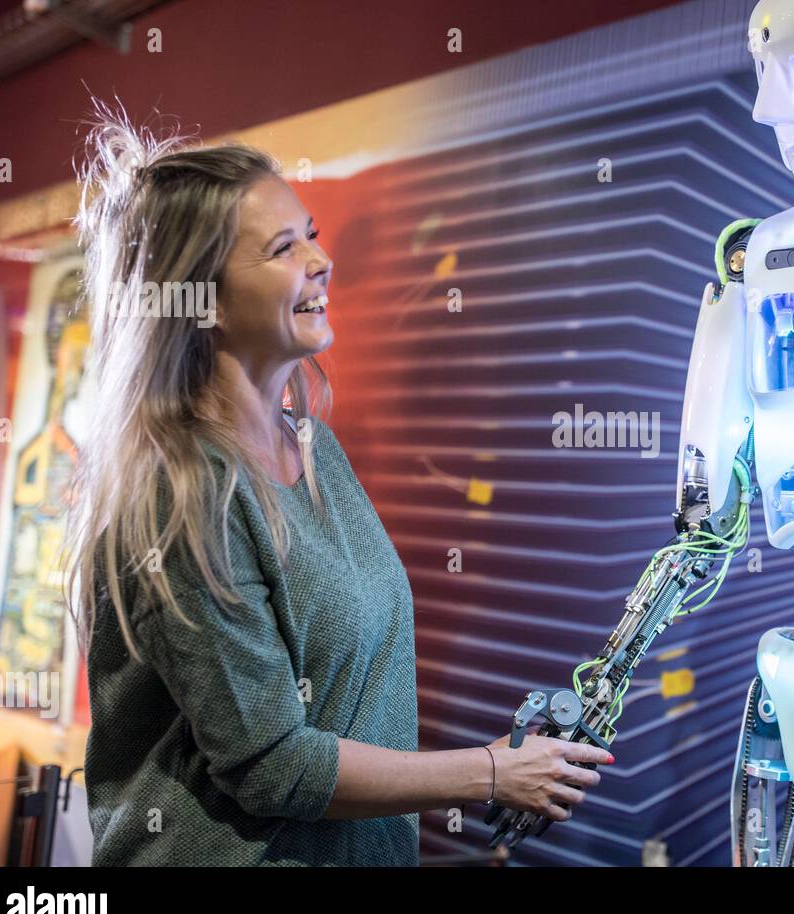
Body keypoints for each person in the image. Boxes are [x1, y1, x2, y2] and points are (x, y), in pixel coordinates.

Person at [63, 102, 609, 866]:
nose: (320, 260)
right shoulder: (177, 494)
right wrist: (489, 773)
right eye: (283, 248)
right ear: (202, 300)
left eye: (311, 233)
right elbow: (272, 765)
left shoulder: (316, 449)